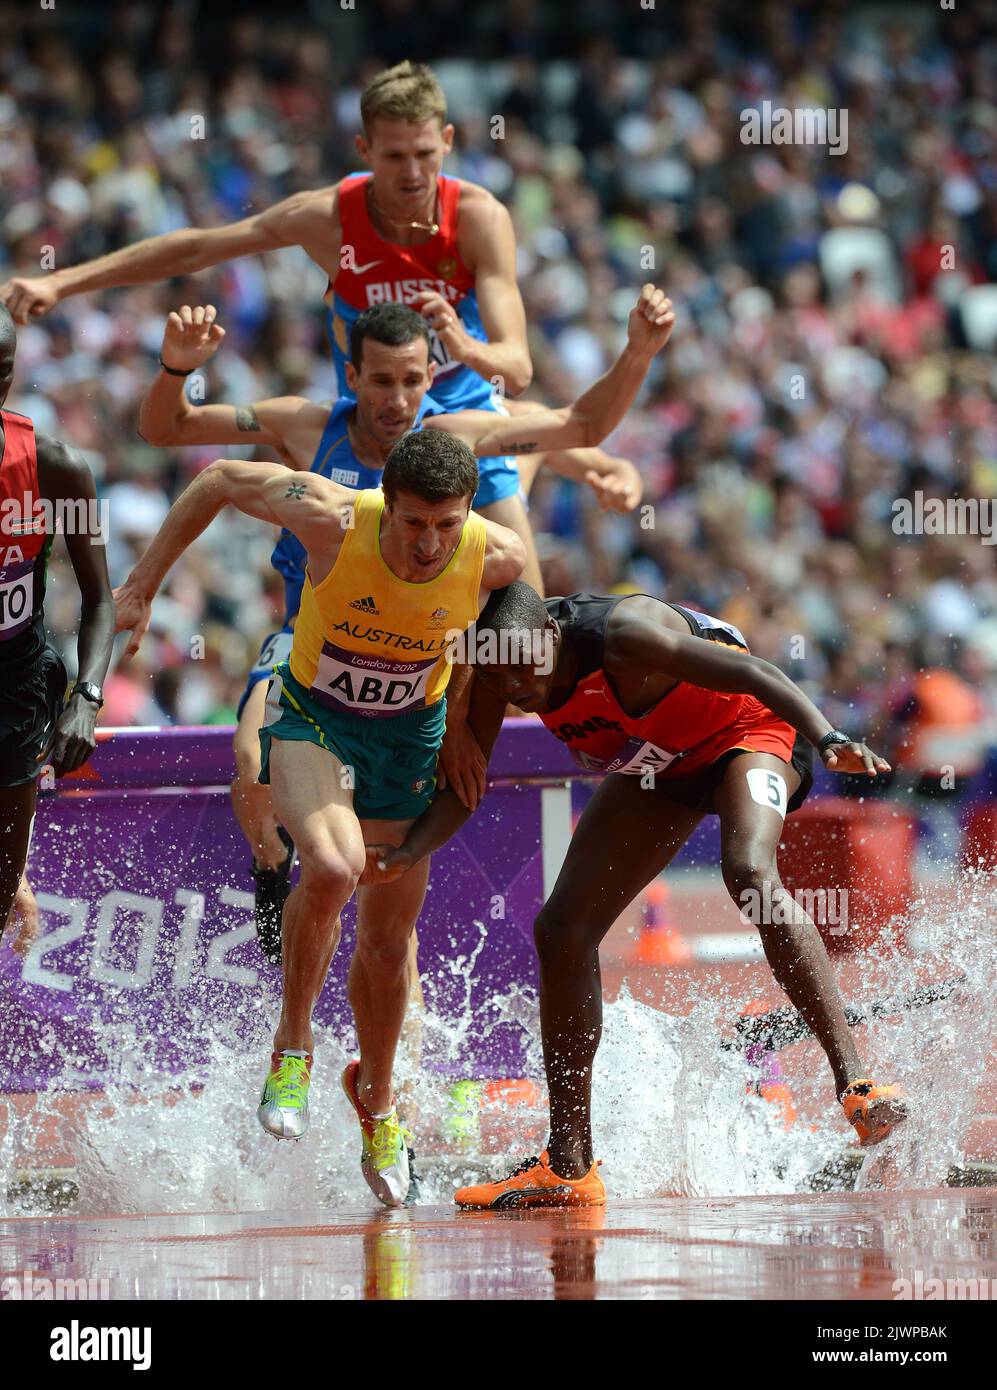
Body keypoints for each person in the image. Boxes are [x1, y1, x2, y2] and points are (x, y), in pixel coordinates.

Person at [113, 286, 676, 1207]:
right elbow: (214, 479)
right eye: (411, 524)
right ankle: (291, 1046)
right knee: (329, 868)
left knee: (387, 938)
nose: (424, 546)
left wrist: (463, 722)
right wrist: (139, 589)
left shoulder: (491, 552)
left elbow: (506, 634)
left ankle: (379, 1104)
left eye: (441, 528)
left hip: (407, 734)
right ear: (389, 504)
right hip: (316, 716)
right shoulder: (336, 513)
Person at [367, 581, 907, 1209]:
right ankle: (568, 1166)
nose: (517, 685)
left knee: (749, 873)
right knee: (561, 929)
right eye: (501, 674)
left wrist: (828, 735)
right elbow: (467, 786)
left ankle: (857, 1086)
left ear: (552, 636)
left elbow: (754, 672)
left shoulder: (627, 636)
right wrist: (404, 853)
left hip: (748, 731)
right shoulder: (498, 669)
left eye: (525, 666)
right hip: (663, 764)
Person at [140, 300, 643, 957]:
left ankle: (387, 970)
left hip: (423, 648)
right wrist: (177, 366)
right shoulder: (307, 425)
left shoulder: (459, 437)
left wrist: (631, 385)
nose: (397, 399)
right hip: (312, 630)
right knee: (250, 760)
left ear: (431, 375)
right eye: (380, 381)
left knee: (390, 884)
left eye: (411, 381)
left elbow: (577, 430)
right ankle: (272, 869)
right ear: (352, 376)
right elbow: (167, 429)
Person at [1, 61, 548, 587]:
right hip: (374, 439)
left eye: (426, 154)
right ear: (364, 150)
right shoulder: (328, 218)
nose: (412, 173)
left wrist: (459, 345)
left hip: (466, 423)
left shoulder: (478, 219)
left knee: (524, 614)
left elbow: (516, 367)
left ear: (447, 142)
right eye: (395, 155)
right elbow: (200, 247)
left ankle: (546, 457)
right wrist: (62, 282)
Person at [0, 304, 115, 951]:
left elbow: (101, 600)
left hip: (15, 687)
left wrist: (87, 699)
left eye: (2, 374)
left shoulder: (53, 467)